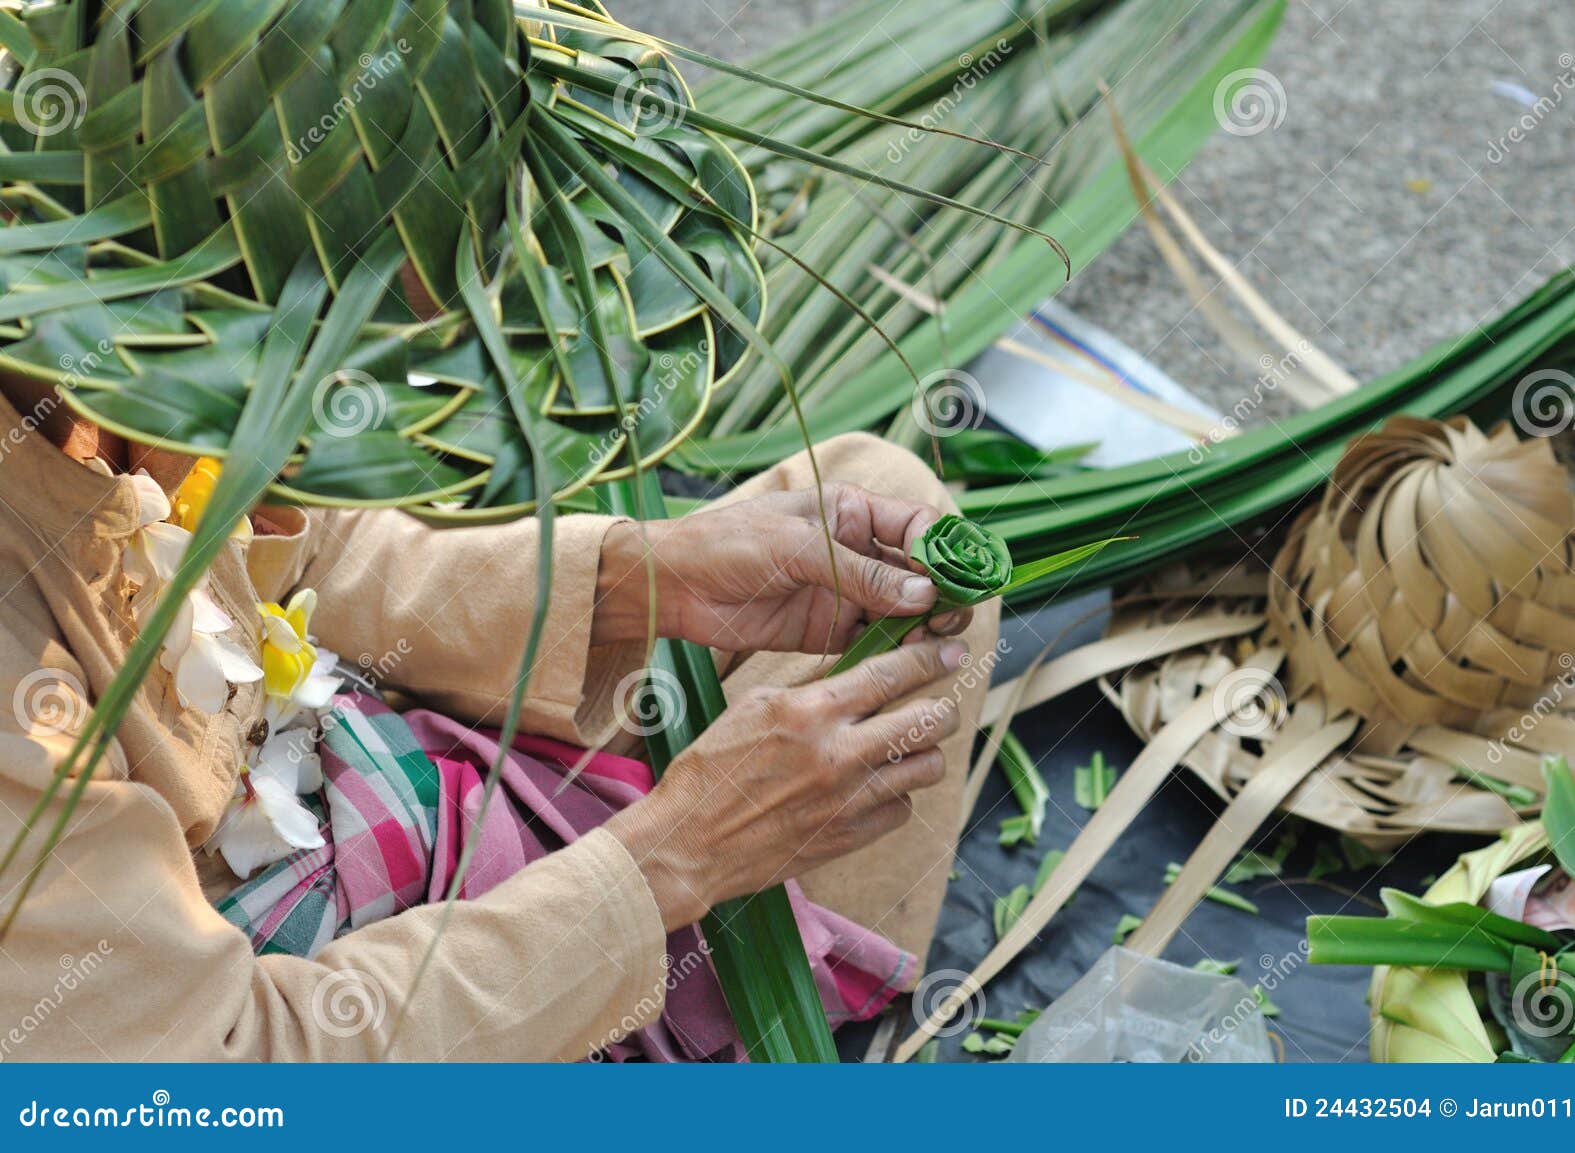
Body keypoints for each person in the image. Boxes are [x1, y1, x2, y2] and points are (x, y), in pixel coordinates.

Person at [0, 367, 999, 1060]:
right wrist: (670, 859)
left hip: (330, 773)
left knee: (890, 513)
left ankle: (785, 994)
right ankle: (780, 1041)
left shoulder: (113, 388)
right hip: (256, 1020)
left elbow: (309, 554)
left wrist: (631, 582)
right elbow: (202, 1081)